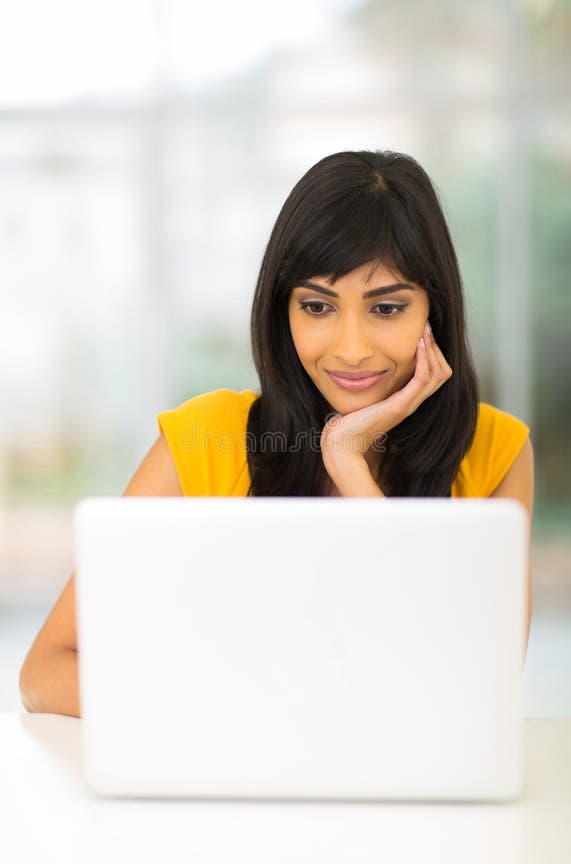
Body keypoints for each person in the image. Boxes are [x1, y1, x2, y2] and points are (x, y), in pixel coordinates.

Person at [19, 149, 534, 719]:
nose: (352, 348)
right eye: (317, 306)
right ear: (281, 312)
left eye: (386, 309)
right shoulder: (205, 437)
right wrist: (236, 718)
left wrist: (350, 466)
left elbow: (477, 686)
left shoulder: (496, 450)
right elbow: (45, 672)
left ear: (434, 313)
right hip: (234, 782)